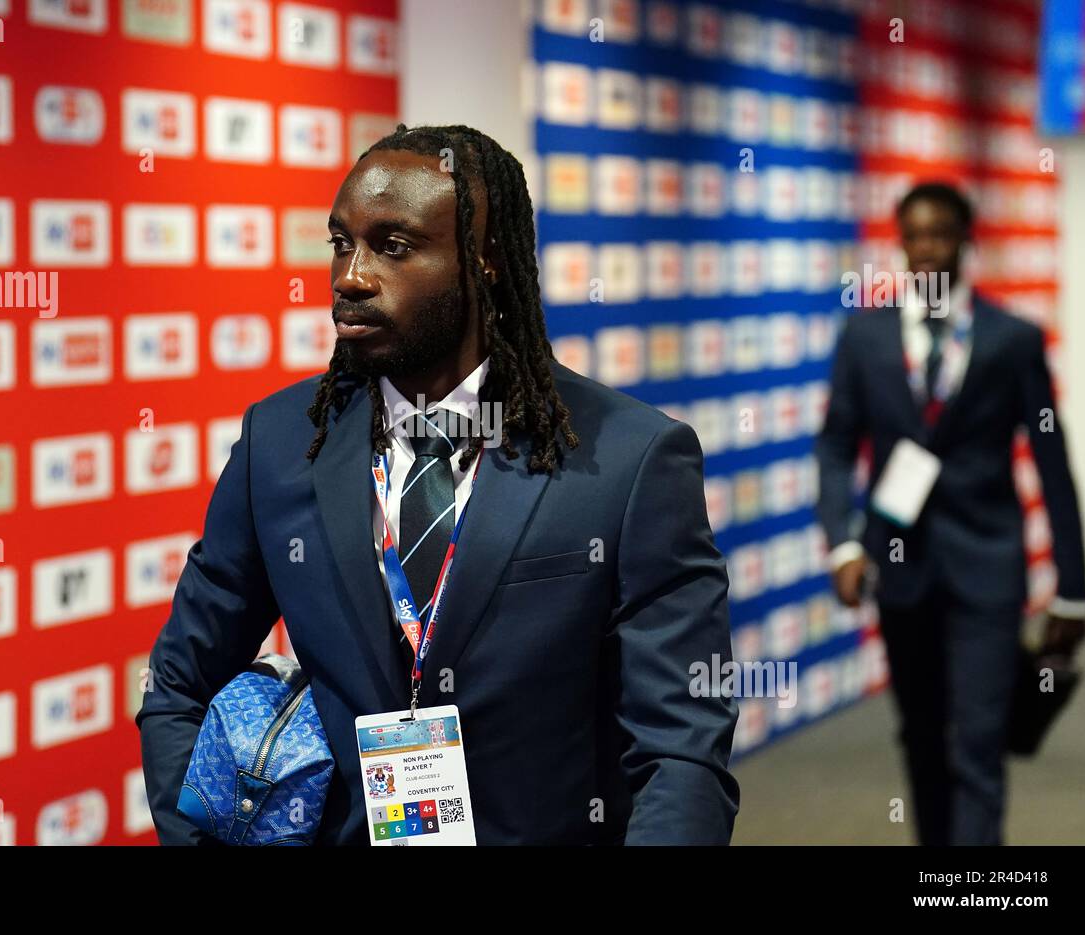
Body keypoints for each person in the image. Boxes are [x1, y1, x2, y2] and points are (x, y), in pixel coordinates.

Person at [137, 123, 740, 845]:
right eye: (340, 242)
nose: (351, 276)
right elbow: (177, 685)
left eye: (393, 246)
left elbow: (681, 751)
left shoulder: (630, 460)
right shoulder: (283, 441)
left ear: (484, 261)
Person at [816, 181, 1085, 845]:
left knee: (980, 741)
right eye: (916, 236)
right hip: (900, 571)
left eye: (942, 234)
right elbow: (834, 444)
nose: (929, 249)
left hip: (988, 571)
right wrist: (842, 544)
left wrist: (1074, 591)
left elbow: (1053, 465)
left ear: (967, 241)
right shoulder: (864, 336)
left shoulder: (1013, 339)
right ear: (901, 244)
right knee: (919, 736)